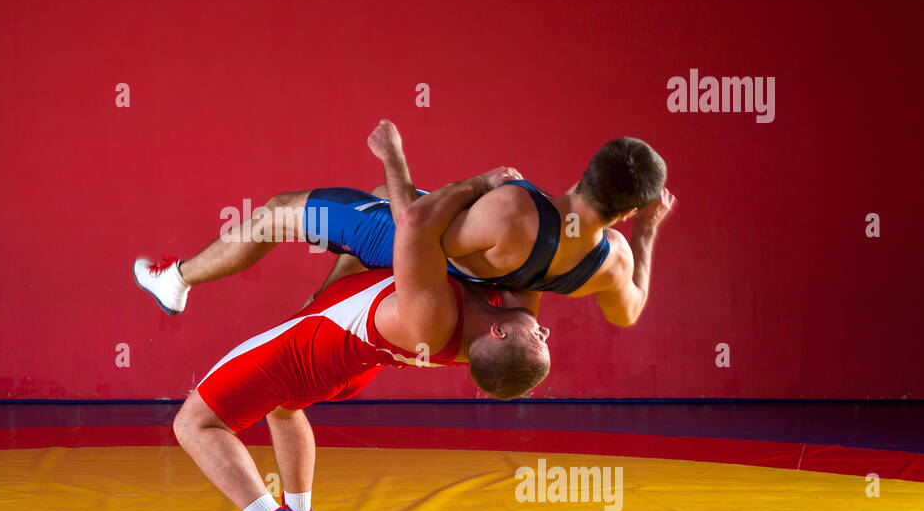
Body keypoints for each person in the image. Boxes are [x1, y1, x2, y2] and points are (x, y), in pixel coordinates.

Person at [170, 130, 550, 511]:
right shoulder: (491, 331)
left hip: (304, 354)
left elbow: (413, 223)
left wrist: (394, 155)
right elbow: (539, 270)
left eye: (539, 337)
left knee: (194, 424)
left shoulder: (429, 317)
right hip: (349, 369)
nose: (544, 328)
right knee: (285, 408)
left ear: (499, 330)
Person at [135, 122, 675, 327]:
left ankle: (175, 282)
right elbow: (629, 314)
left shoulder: (514, 209)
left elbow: (414, 228)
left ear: (587, 169)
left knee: (278, 211)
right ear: (628, 213)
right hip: (468, 281)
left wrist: (392, 155)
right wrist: (647, 236)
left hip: (405, 242)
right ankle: (308, 321)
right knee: (371, 203)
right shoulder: (614, 263)